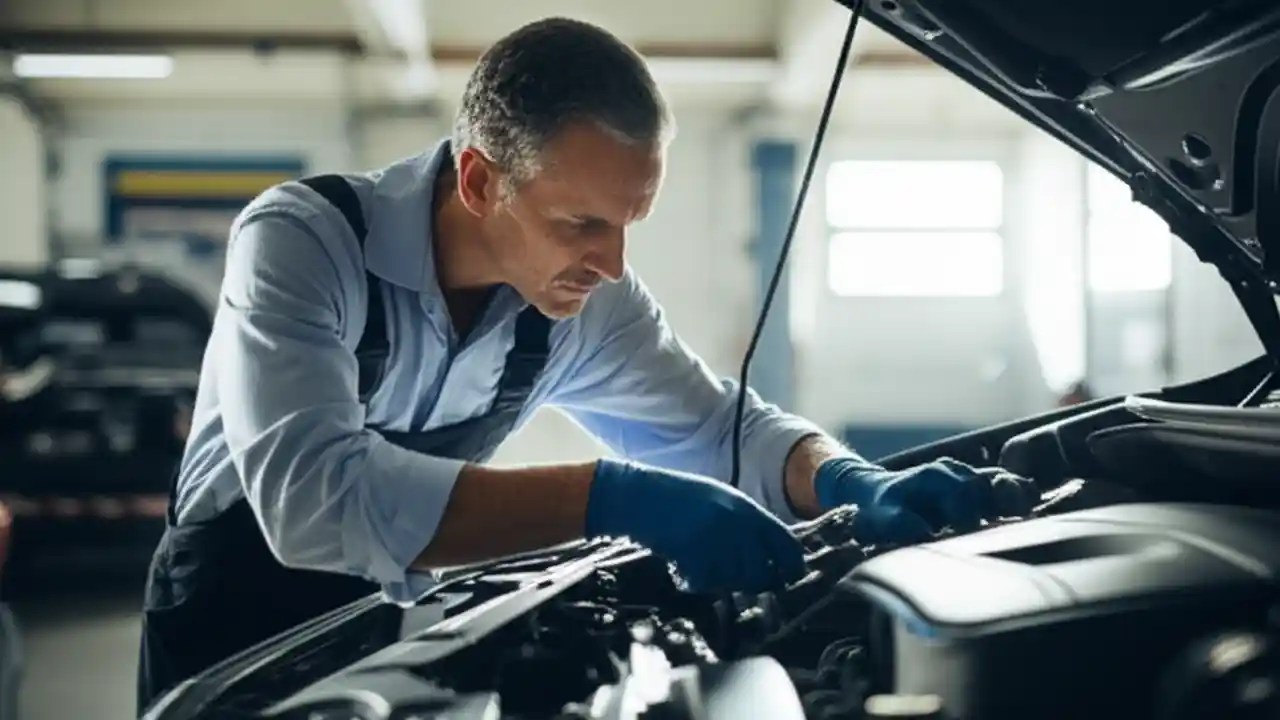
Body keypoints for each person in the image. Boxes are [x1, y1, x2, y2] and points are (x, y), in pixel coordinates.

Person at [136, 17, 1035, 711]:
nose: (611, 264)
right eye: (582, 224)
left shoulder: (582, 299)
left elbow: (721, 429)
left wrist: (843, 475)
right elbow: (311, 501)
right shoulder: (303, 241)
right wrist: (611, 496)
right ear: (483, 181)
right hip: (231, 615)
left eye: (628, 224)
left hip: (384, 614)